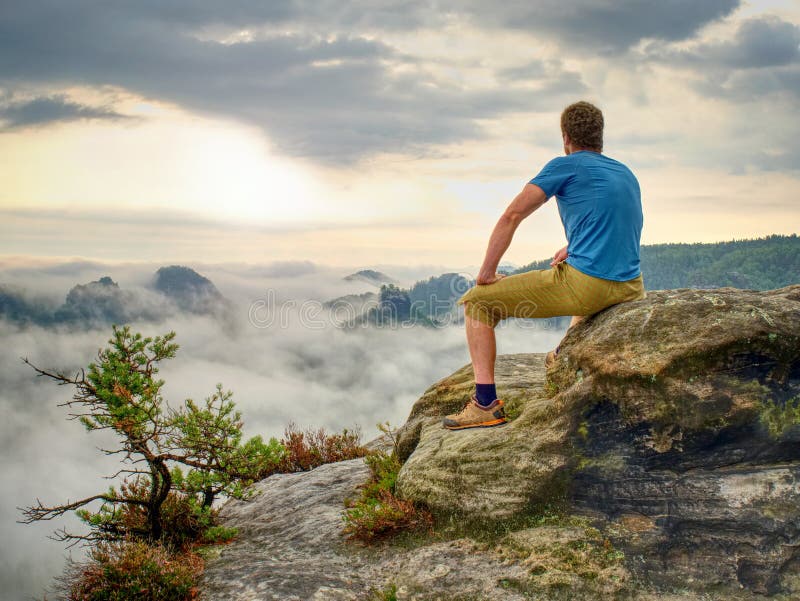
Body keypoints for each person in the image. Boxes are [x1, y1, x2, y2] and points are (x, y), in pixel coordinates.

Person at [442, 100, 646, 431]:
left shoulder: (565, 165)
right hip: (631, 286)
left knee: (477, 302)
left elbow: (512, 215)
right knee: (582, 287)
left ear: (566, 137)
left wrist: (486, 274)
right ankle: (562, 356)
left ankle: (485, 404)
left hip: (589, 287)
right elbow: (620, 223)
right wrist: (574, 248)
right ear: (600, 136)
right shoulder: (625, 173)